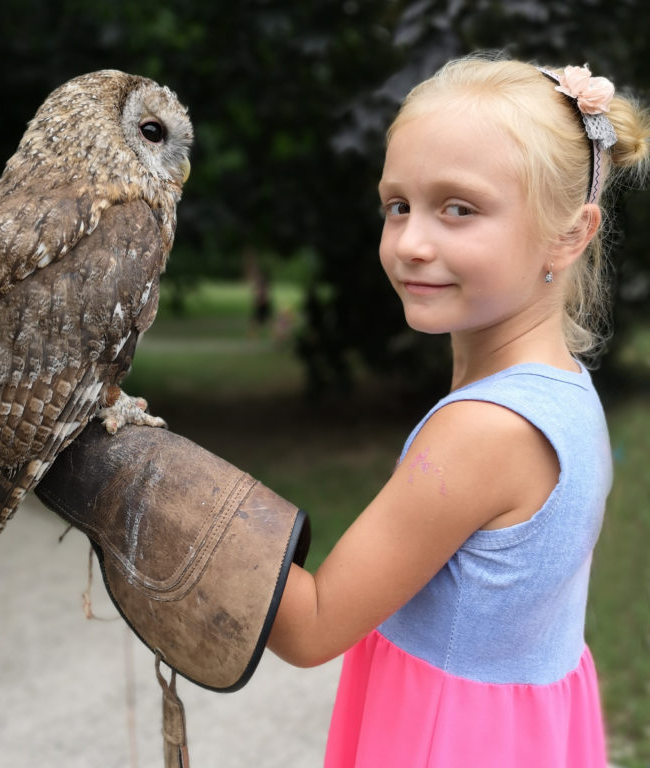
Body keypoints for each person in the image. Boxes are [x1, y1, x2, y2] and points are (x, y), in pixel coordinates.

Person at [266, 54, 650, 767]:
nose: (411, 242)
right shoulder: (565, 391)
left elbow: (313, 626)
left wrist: (141, 488)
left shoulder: (484, 430)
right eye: (398, 205)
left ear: (570, 234)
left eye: (459, 209)